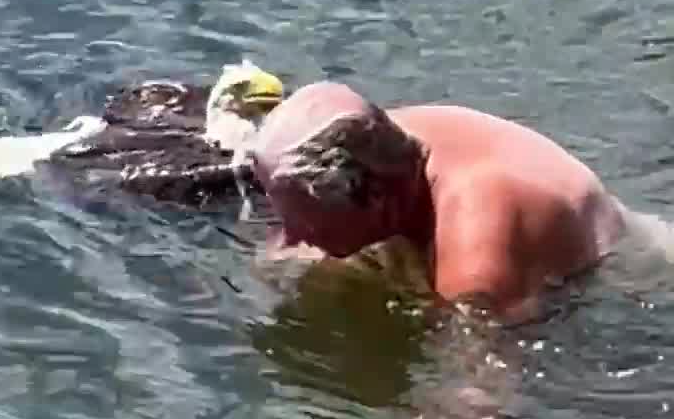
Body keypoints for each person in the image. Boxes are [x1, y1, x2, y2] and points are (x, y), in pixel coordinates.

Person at [246, 81, 634, 323]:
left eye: (306, 222)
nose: (291, 236)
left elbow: (477, 394)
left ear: (376, 197)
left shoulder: (477, 256)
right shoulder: (359, 139)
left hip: (620, 276)